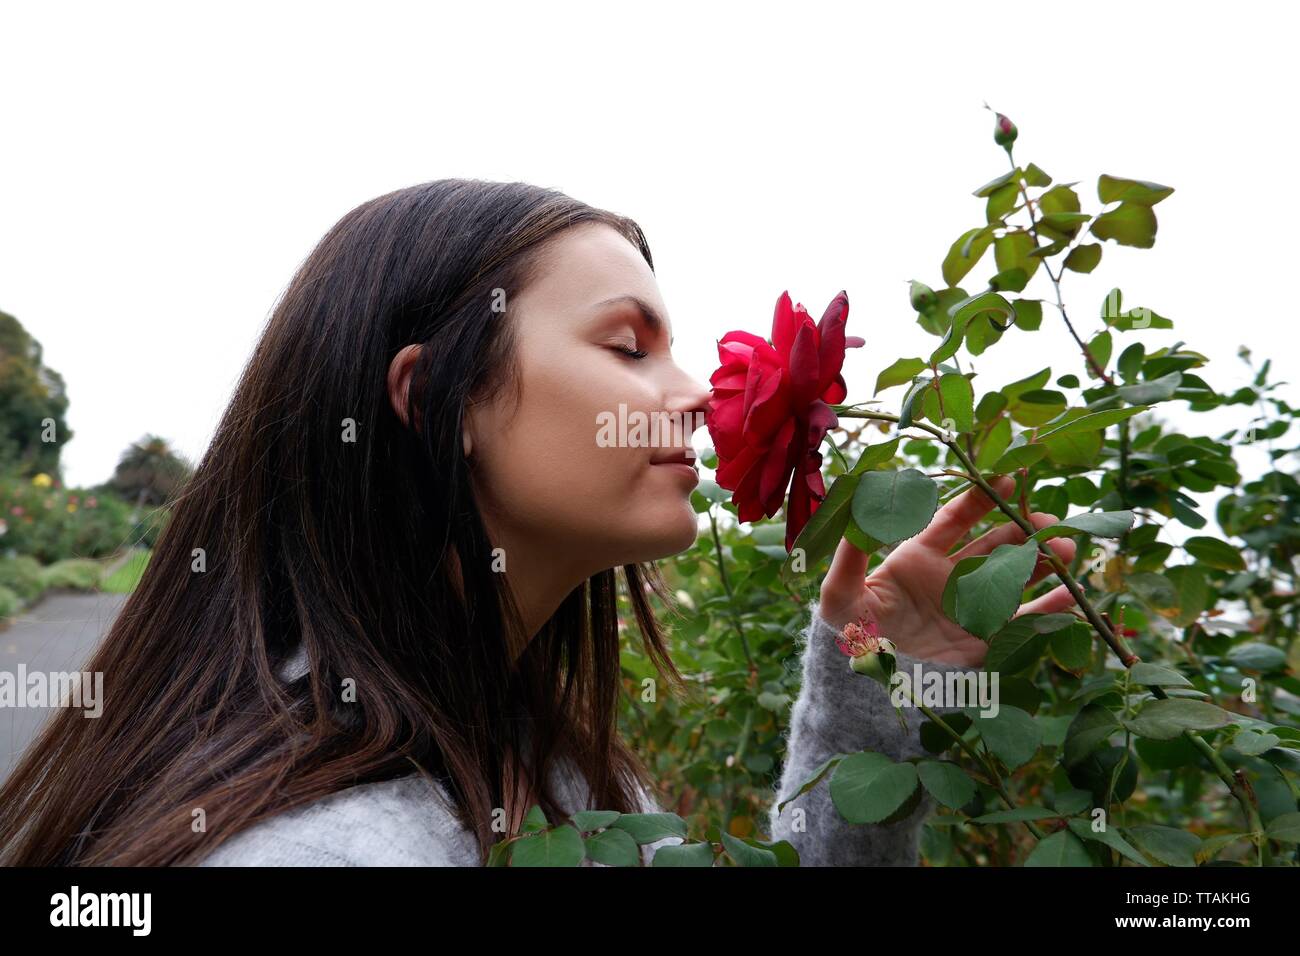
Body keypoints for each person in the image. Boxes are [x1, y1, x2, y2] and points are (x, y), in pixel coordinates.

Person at [0, 180, 1077, 866]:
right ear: (436, 402)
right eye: (627, 347)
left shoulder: (551, 768)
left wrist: (869, 677)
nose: (695, 390)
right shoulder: (320, 849)